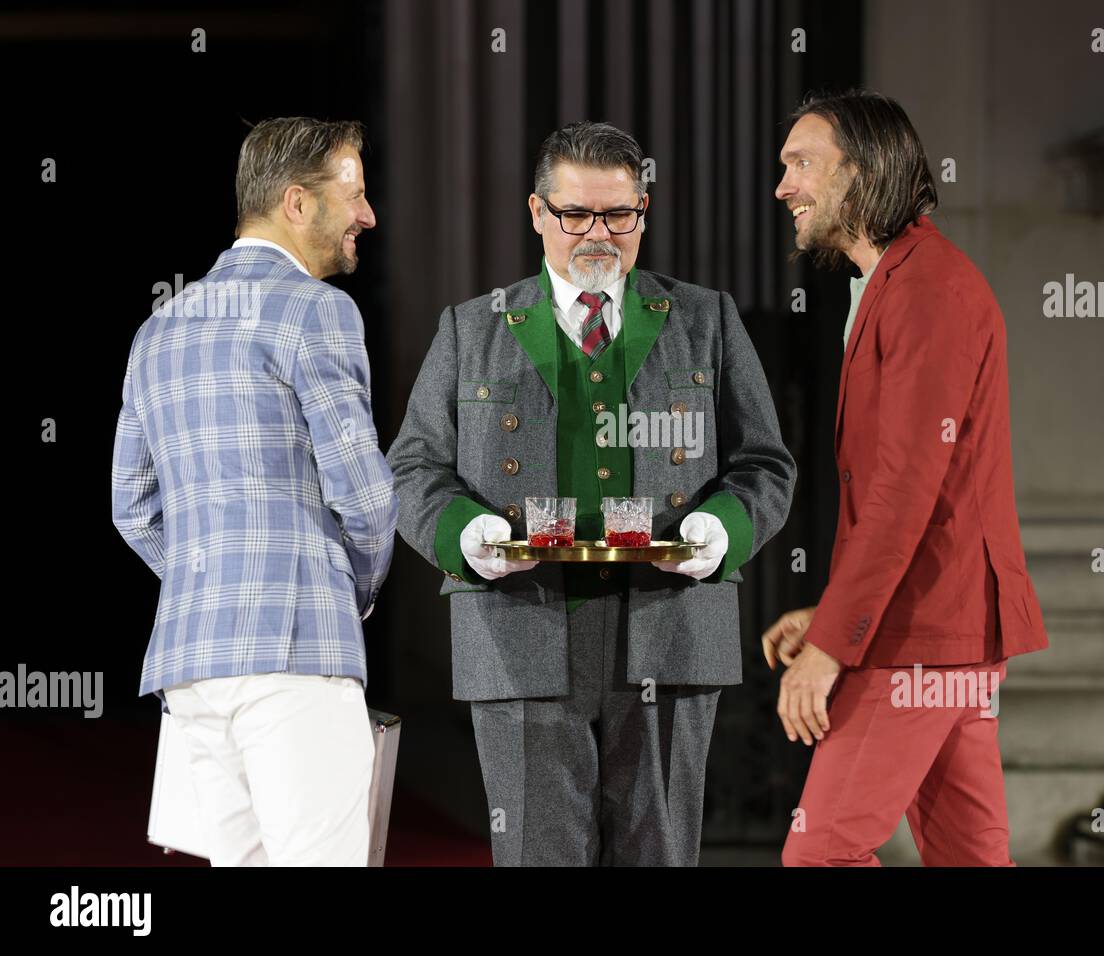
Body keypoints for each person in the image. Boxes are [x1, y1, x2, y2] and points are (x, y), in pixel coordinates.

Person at [387, 120, 795, 866]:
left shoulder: (706, 319)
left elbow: (767, 463)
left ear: (645, 209)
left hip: (671, 636)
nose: (596, 233)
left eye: (619, 214)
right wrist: (463, 536)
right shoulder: (470, 328)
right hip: (520, 632)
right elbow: (412, 466)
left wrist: (722, 529)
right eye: (576, 213)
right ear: (537, 212)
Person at [764, 90, 1049, 866]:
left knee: (818, 854)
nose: (783, 185)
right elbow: (916, 494)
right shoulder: (904, 279)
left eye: (802, 164)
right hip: (946, 627)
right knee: (969, 858)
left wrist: (831, 646)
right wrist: (832, 612)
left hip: (923, 638)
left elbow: (904, 490)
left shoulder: (927, 289)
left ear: (861, 175)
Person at [110, 117, 396, 866]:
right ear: (297, 204)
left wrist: (212, 577)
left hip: (192, 665)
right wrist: (350, 588)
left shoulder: (158, 330)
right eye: (355, 194)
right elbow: (365, 497)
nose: (368, 215)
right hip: (298, 654)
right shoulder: (318, 311)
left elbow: (130, 507)